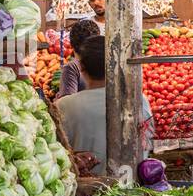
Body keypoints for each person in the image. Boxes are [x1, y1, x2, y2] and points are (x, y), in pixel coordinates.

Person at [56, 35, 153, 175]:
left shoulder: (63, 106)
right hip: (130, 186)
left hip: (84, 190)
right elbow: (146, 144)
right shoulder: (138, 100)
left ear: (81, 67)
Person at [57, 18, 99, 99]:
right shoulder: (105, 62)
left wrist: (57, 101)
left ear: (71, 44)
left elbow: (67, 106)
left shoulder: (72, 67)